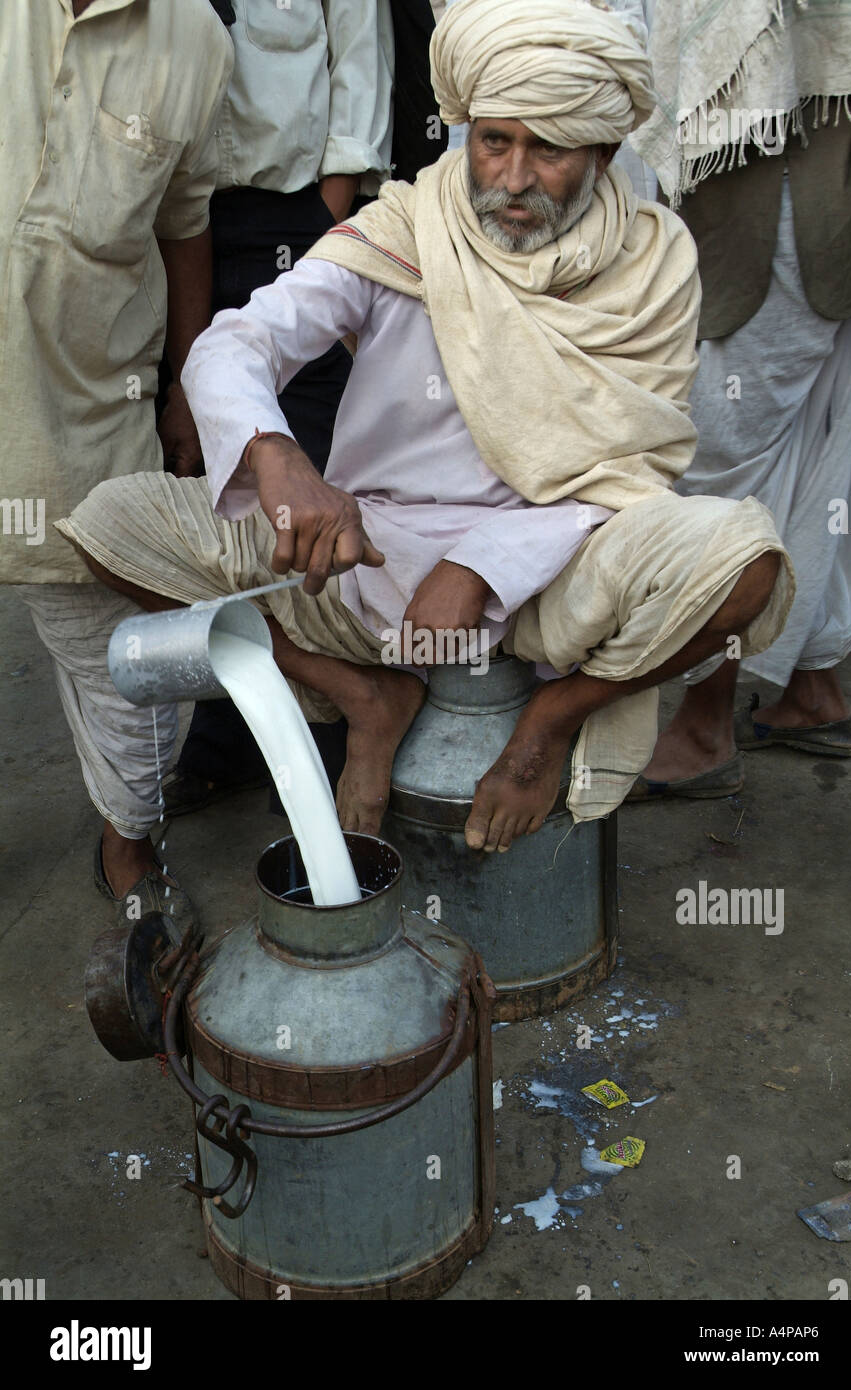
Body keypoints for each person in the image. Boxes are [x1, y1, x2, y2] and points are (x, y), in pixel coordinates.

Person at [56, 0, 794, 867]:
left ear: (601, 153)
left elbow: (631, 475)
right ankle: (361, 695)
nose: (512, 178)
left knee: (741, 560)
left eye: (549, 149)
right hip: (369, 560)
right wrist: (276, 452)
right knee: (109, 524)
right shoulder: (405, 227)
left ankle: (545, 727)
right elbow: (238, 341)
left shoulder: (652, 260)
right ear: (464, 130)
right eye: (493, 140)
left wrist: (480, 563)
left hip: (556, 573)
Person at [0, 0, 233, 925]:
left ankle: (128, 835)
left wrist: (188, 386)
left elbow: (186, 226)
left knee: (122, 654)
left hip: (85, 399)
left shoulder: (194, 39)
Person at [627, 0, 851, 799]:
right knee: (821, 440)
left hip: (774, 193)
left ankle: (703, 725)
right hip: (835, 177)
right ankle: (812, 688)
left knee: (718, 464)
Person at [163, 0, 396, 815]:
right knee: (201, 487)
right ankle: (228, 733)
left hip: (290, 225)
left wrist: (327, 213)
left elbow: (359, 77)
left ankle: (328, 742)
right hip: (170, 227)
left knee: (307, 487)